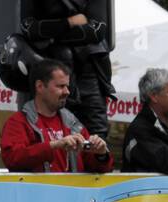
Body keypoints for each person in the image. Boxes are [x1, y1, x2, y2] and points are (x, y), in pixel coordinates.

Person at [22, 0, 114, 138]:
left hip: (88, 69)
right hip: (49, 68)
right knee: (47, 133)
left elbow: (96, 31)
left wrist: (50, 33)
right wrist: (69, 22)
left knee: (96, 136)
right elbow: (29, 29)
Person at [1, 60, 112, 173]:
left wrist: (101, 154)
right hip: (38, 190)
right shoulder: (18, 122)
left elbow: (98, 170)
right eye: (60, 86)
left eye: (67, 86)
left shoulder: (73, 124)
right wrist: (53, 145)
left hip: (74, 190)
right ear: (40, 86)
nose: (67, 92)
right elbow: (12, 159)